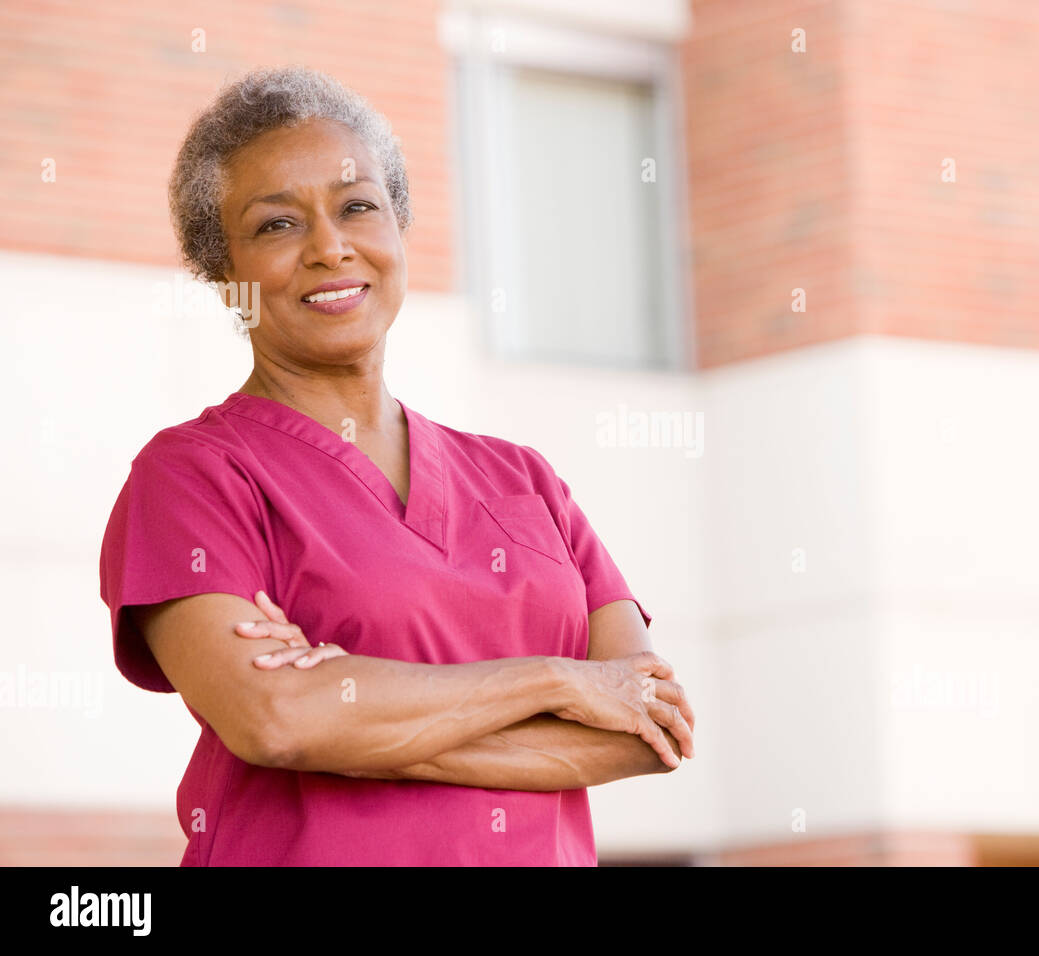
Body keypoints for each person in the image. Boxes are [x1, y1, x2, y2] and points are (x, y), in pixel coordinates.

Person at [98, 65, 695, 866]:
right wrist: (557, 683)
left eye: (357, 207)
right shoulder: (194, 477)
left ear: (398, 224)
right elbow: (274, 720)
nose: (330, 247)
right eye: (277, 225)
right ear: (223, 272)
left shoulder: (523, 480)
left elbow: (648, 729)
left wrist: (350, 717)